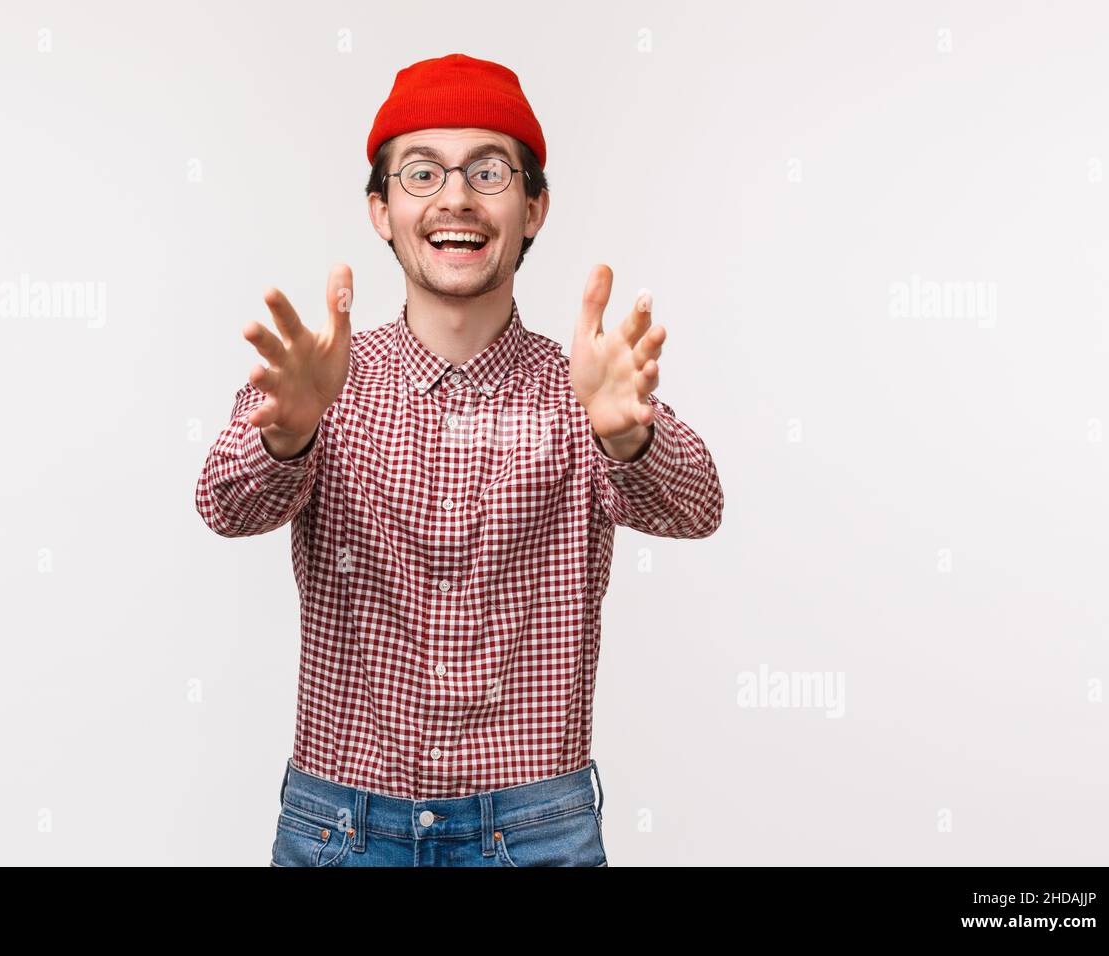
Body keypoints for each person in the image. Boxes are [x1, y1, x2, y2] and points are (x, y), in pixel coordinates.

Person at [195, 53, 724, 866]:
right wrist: (288, 431)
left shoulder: (582, 388)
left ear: (535, 206)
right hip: (341, 830)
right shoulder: (321, 374)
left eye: (488, 170)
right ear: (380, 210)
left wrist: (627, 436)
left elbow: (699, 508)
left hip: (536, 831)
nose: (455, 198)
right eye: (420, 173)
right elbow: (225, 507)